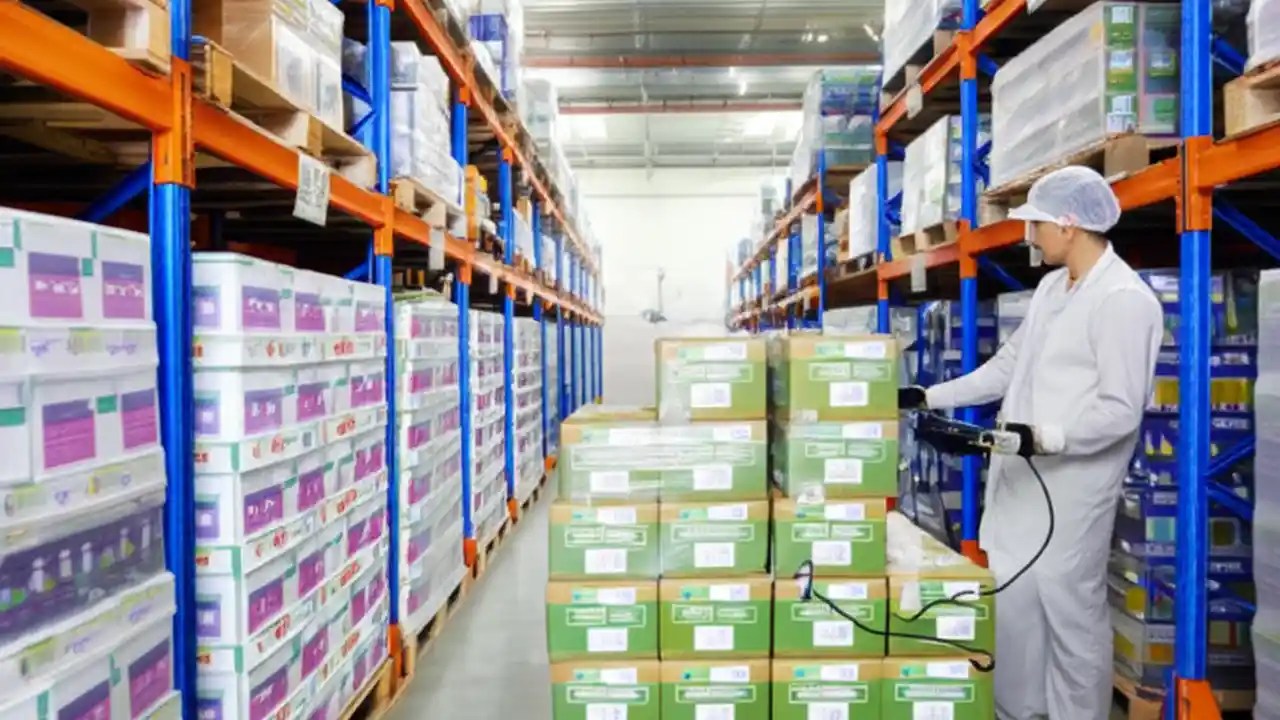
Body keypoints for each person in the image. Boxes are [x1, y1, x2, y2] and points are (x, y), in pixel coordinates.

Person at [898, 166, 1164, 720]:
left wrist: (1048, 437)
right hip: (1022, 478)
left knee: (1069, 611)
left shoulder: (1122, 301)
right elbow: (1005, 368)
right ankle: (1019, 710)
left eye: (1036, 224)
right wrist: (927, 395)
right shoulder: (1051, 288)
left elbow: (1120, 408)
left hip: (1072, 488)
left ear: (1069, 226)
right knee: (1016, 601)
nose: (1029, 236)